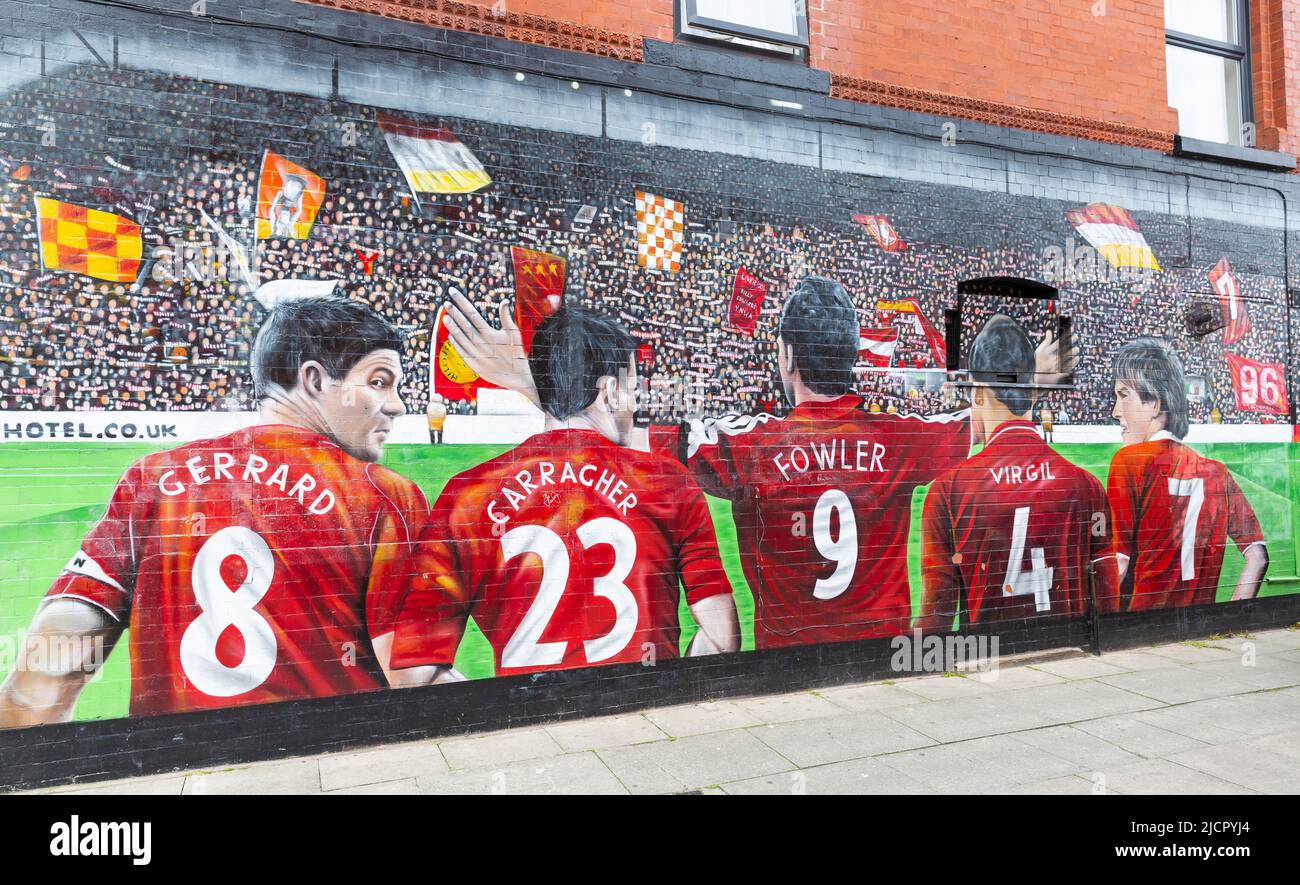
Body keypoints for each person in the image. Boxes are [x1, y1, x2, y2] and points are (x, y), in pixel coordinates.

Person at [440, 280, 1073, 648]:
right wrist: (1027, 379)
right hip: (884, 664)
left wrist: (538, 381)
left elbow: (612, 432)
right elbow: (986, 425)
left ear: (788, 358)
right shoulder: (904, 438)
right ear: (853, 357)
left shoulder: (742, 445)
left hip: (783, 668)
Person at [0, 292, 440, 727]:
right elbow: (413, 675)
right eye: (380, 382)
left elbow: (46, 676)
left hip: (173, 765)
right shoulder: (382, 497)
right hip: (333, 759)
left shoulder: (153, 478)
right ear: (315, 380)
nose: (397, 405)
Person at [390, 306, 738, 678]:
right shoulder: (668, 482)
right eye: (633, 390)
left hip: (531, 725)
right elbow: (720, 641)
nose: (635, 406)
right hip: (645, 710)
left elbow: (417, 671)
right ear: (611, 391)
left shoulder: (467, 494)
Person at [916, 316, 1119, 629]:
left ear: (978, 394)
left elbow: (936, 614)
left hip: (989, 662)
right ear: (1034, 393)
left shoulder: (948, 491)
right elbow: (1105, 599)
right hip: (1068, 658)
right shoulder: (1087, 486)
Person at [1108, 338, 1268, 609]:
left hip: (1144, 625)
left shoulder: (1129, 462)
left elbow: (1119, 563)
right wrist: (1236, 614)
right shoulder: (1217, 473)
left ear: (1155, 405)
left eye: (1124, 396)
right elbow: (1258, 557)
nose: (1115, 412)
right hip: (1200, 620)